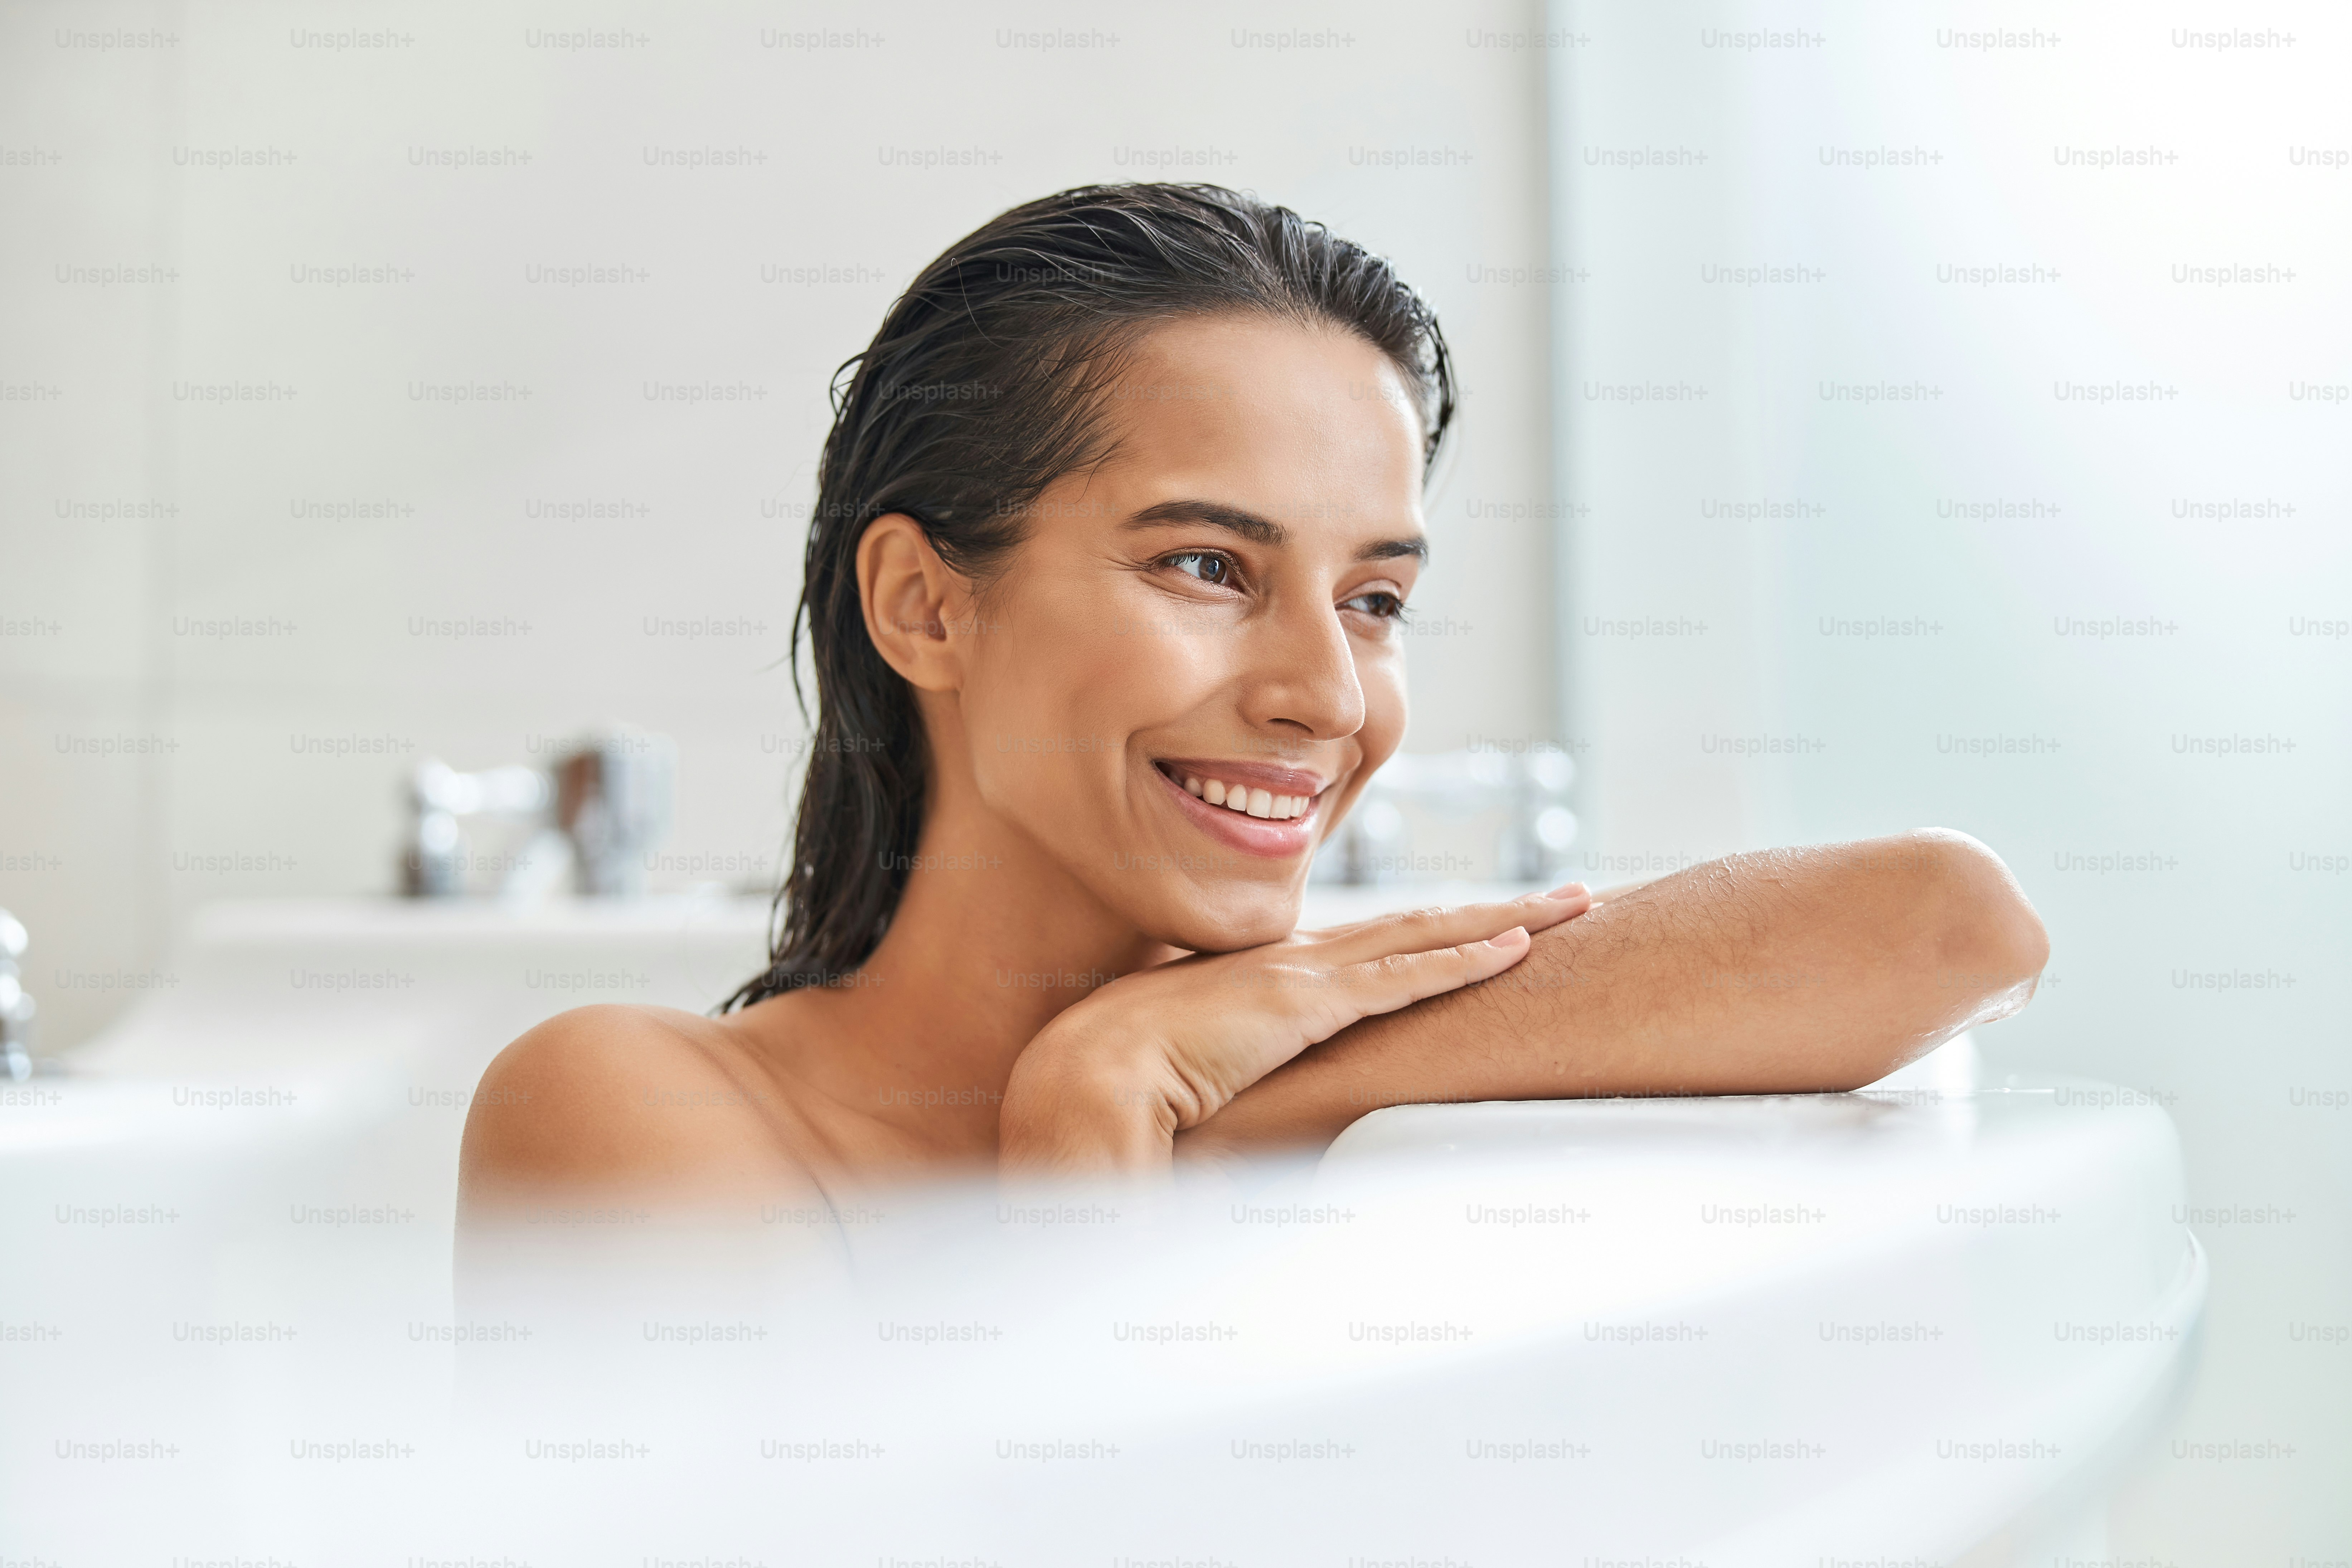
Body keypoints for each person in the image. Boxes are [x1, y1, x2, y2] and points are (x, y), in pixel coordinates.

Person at [457, 184, 2047, 1224]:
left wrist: (1185, 1061)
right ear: (924, 606)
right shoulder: (631, 1113)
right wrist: (1088, 1116)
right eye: (1207, 567)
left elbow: (1944, 924)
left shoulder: (1306, 1041)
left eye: (1374, 599)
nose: (1326, 696)